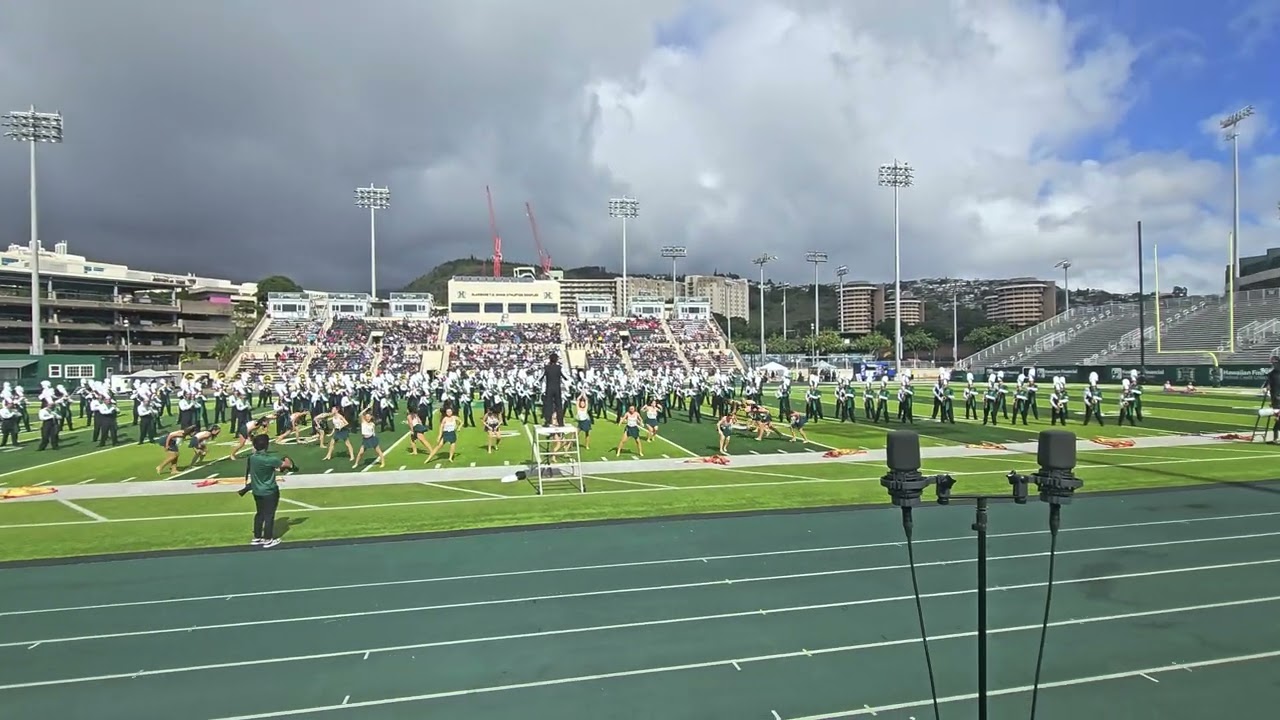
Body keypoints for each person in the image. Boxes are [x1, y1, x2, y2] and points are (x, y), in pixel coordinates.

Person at [242, 433, 293, 548]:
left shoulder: (252, 458)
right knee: (269, 515)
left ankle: (257, 537)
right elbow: (287, 465)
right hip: (269, 491)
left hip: (257, 491)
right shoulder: (270, 459)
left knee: (259, 513)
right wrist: (287, 459)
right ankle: (268, 539)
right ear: (266, 445)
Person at [539, 351, 569, 427]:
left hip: (549, 389)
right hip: (557, 389)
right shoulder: (559, 368)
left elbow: (540, 378)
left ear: (550, 359)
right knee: (559, 405)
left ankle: (547, 422)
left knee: (548, 405)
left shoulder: (546, 368)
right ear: (556, 360)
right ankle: (561, 422)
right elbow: (566, 377)